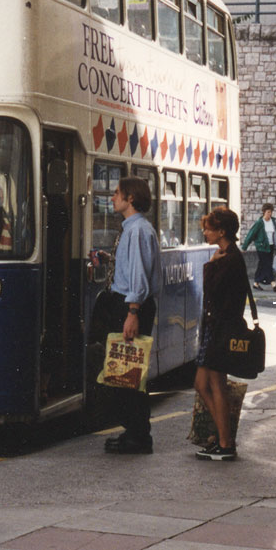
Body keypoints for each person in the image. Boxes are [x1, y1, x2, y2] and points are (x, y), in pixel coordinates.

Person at [102, 176, 163, 455]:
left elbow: (139, 277)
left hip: (131, 306)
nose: (112, 198)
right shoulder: (134, 229)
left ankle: (139, 436)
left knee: (129, 374)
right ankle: (134, 432)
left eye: (117, 194)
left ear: (131, 199)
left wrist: (132, 312)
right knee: (124, 373)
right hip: (129, 303)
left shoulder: (137, 231)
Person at [194, 206, 248, 462]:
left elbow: (212, 291)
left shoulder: (227, 259)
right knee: (202, 384)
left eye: (208, 228)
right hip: (216, 328)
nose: (205, 232)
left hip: (220, 329)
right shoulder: (229, 255)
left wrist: (210, 265)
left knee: (215, 384)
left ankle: (225, 442)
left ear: (222, 231)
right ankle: (222, 437)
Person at [241, 203, 276, 290]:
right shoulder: (259, 223)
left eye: (271, 212)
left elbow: (275, 234)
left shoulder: (272, 221)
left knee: (262, 264)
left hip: (271, 246)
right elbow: (251, 234)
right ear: (264, 212)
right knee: (267, 264)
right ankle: (273, 283)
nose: (269, 214)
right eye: (268, 212)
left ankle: (256, 283)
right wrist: (244, 247)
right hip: (262, 247)